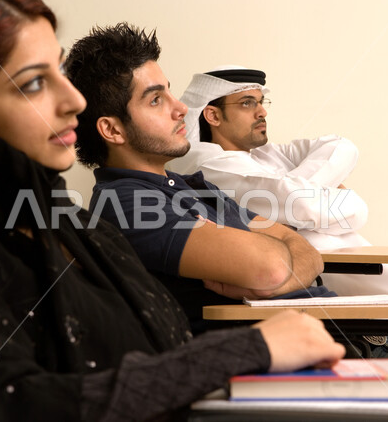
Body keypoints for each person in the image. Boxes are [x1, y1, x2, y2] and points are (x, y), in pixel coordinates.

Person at [0, 0, 346, 420]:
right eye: (32, 83)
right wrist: (255, 346)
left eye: (60, 70)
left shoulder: (69, 224)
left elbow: (161, 351)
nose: (73, 100)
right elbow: (9, 406)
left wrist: (282, 267)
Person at [65, 24, 338, 334]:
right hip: (295, 363)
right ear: (112, 130)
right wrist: (275, 262)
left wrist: (274, 278)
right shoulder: (129, 204)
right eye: (156, 100)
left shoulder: (191, 186)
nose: (180, 108)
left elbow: (305, 250)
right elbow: (272, 266)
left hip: (338, 336)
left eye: (169, 91)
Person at [168, 66, 388, 299]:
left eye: (261, 102)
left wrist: (299, 192)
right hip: (320, 284)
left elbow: (342, 146)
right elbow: (310, 206)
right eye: (247, 103)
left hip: (364, 278)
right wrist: (330, 199)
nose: (262, 112)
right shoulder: (209, 165)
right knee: (315, 236)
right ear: (213, 115)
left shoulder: (264, 154)